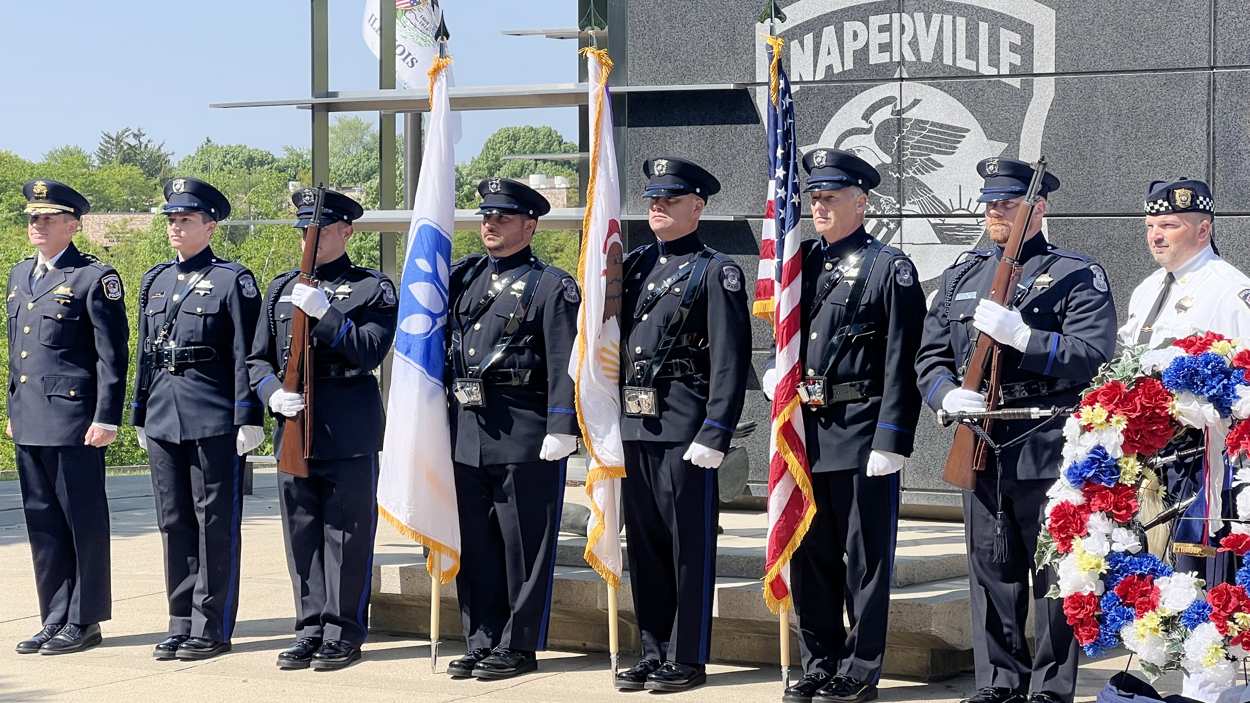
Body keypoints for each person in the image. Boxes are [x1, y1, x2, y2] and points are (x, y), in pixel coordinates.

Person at [914, 158, 1117, 703]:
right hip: (982, 440)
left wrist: (1027, 339)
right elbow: (930, 356)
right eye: (990, 204)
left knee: (1054, 574)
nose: (994, 213)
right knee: (990, 570)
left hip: (1048, 440)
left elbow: (1093, 354)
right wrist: (944, 393)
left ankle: (1050, 686)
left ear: (1038, 209)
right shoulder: (962, 275)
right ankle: (999, 681)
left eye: (1007, 203)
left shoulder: (1076, 273)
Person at [777, 148, 924, 703]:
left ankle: (859, 668)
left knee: (865, 561)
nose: (818, 206)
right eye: (814, 197)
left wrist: (893, 438)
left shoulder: (889, 268)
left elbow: (903, 359)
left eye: (830, 197)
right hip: (807, 435)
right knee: (810, 557)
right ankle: (819, 661)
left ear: (861, 203)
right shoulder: (801, 265)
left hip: (862, 433)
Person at [612, 157, 750, 693]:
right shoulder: (636, 265)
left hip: (685, 428)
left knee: (687, 547)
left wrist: (716, 431)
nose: (657, 206)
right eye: (653, 198)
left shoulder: (716, 271)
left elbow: (729, 360)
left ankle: (687, 655)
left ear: (697, 206)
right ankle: (653, 650)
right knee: (645, 547)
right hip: (637, 426)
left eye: (669, 199)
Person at [247, 187, 397, 671]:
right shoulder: (280, 288)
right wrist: (271, 393)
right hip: (294, 426)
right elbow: (257, 359)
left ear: (346, 232)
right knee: (302, 534)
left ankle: (343, 632)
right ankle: (309, 628)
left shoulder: (372, 288)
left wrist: (326, 315)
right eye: (303, 232)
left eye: (319, 231)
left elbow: (370, 351)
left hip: (347, 426)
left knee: (347, 536)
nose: (307, 240)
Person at [1118, 178, 1250, 703]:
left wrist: (1203, 405)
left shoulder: (1229, 289)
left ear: (1203, 229)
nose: (1156, 235)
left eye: (1169, 225)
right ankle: (1172, 679)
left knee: (1206, 573)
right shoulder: (1147, 289)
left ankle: (1209, 688)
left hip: (1210, 460)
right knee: (1165, 575)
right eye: (1151, 225)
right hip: (1155, 460)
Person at [443, 177, 580, 680]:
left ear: (530, 225)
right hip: (467, 430)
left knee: (523, 545)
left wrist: (562, 424)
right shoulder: (463, 279)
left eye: (503, 217)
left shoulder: (550, 285)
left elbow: (564, 360)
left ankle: (518, 644)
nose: (491, 225)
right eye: (486, 217)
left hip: (524, 431)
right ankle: (481, 638)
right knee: (475, 545)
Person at [132, 177, 264, 661]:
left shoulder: (233, 280)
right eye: (171, 219)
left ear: (210, 226)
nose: (175, 227)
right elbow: (146, 353)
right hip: (164, 415)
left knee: (214, 522)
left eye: (185, 219)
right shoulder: (156, 280)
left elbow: (245, 352)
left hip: (213, 416)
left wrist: (248, 415)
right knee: (173, 521)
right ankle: (180, 620)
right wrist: (139, 411)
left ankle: (211, 625)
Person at [9, 179, 129, 655]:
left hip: (75, 421)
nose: (37, 224)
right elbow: (18, 352)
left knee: (82, 522)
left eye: (48, 217)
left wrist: (107, 417)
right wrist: (13, 407)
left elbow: (111, 356)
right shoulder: (21, 275)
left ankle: (84, 619)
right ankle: (54, 615)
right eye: (33, 217)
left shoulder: (92, 278)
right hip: (30, 418)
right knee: (43, 524)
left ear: (73, 225)